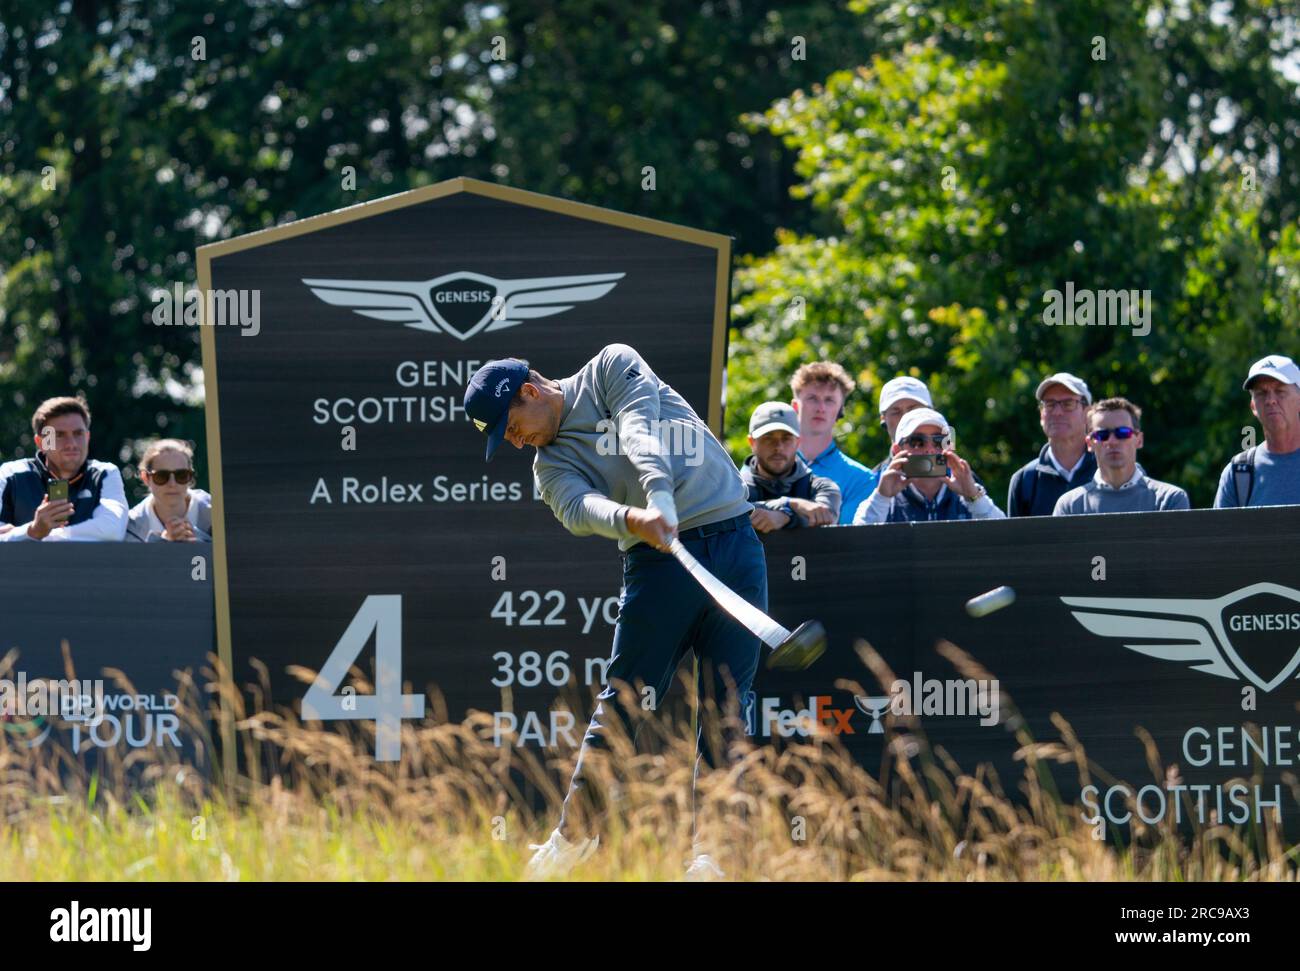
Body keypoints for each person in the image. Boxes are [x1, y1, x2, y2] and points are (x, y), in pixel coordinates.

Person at [464, 344, 764, 881]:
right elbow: (583, 510)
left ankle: (713, 856)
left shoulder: (610, 367)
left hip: (736, 543)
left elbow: (639, 429)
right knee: (625, 701)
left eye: (510, 428)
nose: (514, 442)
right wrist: (635, 518)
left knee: (728, 707)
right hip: (658, 563)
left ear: (529, 392)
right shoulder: (549, 466)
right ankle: (575, 837)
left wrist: (658, 494)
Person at [0, 395, 127, 542]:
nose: (71, 443)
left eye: (78, 433)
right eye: (59, 435)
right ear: (41, 442)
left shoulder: (104, 473)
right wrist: (33, 531)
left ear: (87, 437)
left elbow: (113, 530)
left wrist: (35, 533)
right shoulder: (11, 474)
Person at [852, 407, 1005, 523]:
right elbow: (857, 544)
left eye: (939, 442)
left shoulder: (966, 494)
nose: (930, 450)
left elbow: (1006, 538)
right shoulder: (885, 498)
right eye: (917, 442)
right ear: (897, 450)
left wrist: (974, 497)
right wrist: (882, 498)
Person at [1053, 397, 1190, 515]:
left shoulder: (1169, 500)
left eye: (1123, 433)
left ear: (1139, 440)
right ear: (1089, 443)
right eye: (1102, 435)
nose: (1112, 441)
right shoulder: (1069, 506)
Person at [788, 361, 877, 524]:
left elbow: (848, 538)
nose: (821, 408)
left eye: (829, 400)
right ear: (795, 406)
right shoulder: (761, 468)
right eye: (812, 398)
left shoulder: (861, 480)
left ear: (840, 409)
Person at [1213, 354, 1300, 508]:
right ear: (1253, 406)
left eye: (1280, 391)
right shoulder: (1239, 474)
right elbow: (1220, 525)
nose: (1270, 400)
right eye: (1261, 393)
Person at [1007, 372, 1098, 517]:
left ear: (1087, 413)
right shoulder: (1024, 480)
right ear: (1041, 414)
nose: (1057, 412)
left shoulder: (1108, 471)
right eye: (1049, 404)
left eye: (1068, 404)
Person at [740, 401, 840, 531]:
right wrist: (792, 504)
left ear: (798, 442)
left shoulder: (823, 487)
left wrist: (785, 517)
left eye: (786, 438)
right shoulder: (735, 489)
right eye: (768, 438)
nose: (778, 447)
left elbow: (825, 516)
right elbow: (732, 516)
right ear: (752, 442)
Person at [126, 439, 213, 542]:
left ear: (190, 477)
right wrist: (163, 543)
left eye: (181, 475)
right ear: (145, 478)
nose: (172, 484)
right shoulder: (131, 527)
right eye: (162, 476)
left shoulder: (216, 511)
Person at [873, 376, 934, 475]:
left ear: (931, 413)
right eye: (896, 412)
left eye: (914, 410)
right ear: (883, 418)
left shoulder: (957, 476)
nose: (905, 417)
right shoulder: (872, 480)